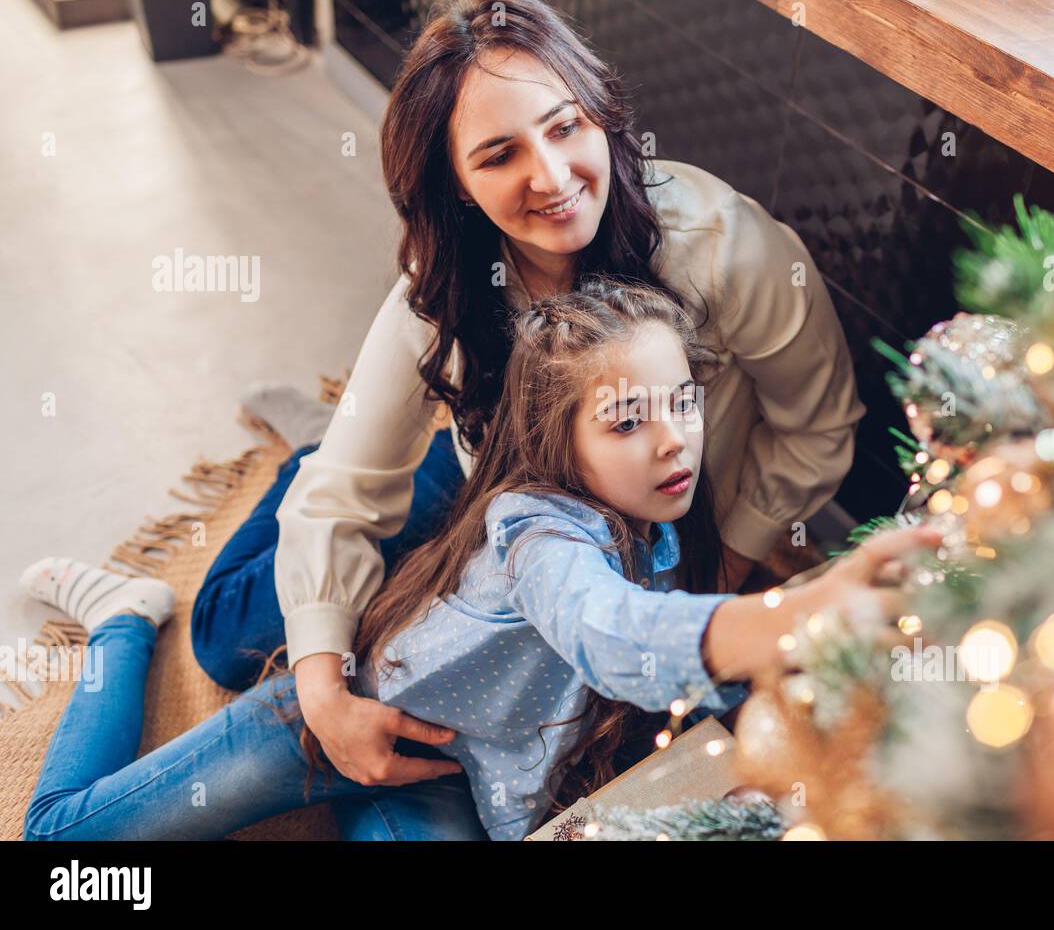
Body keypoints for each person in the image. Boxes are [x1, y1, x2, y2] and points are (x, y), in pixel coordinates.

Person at [190, 0, 866, 825]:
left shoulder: (728, 247)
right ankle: (320, 442)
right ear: (457, 183)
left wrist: (728, 558)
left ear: (599, 113)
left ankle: (361, 443)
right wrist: (325, 697)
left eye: (564, 127)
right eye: (499, 154)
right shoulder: (437, 290)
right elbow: (345, 500)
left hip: (649, 534)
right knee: (225, 635)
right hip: (493, 492)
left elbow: (820, 426)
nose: (552, 177)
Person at [22, 280, 931, 841]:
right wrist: (788, 617)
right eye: (626, 420)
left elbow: (666, 673)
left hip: (449, 778)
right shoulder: (537, 529)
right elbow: (608, 633)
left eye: (684, 403)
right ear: (558, 441)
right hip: (329, 724)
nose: (674, 443)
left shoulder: (659, 522)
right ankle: (121, 620)